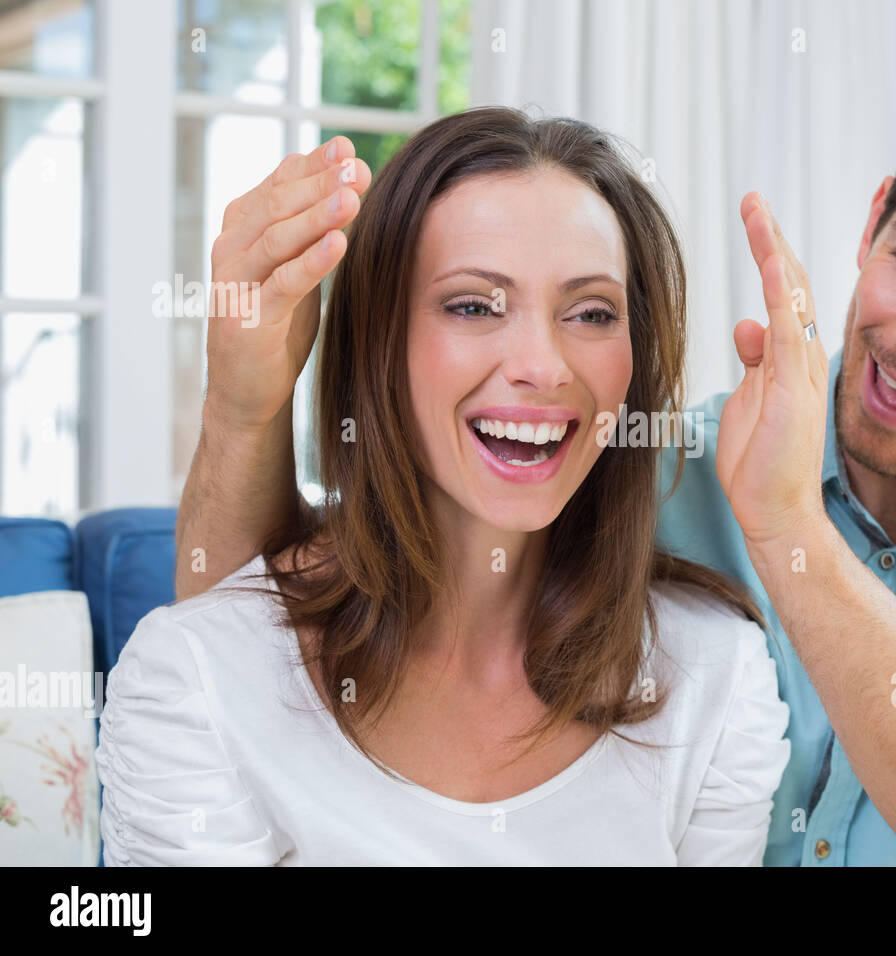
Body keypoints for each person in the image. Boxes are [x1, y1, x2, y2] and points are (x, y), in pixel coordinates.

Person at [169, 66, 896, 867]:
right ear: (873, 219)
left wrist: (789, 529)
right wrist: (245, 402)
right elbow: (251, 652)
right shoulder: (627, 464)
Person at [94, 108, 793, 865]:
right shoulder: (195, 679)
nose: (544, 365)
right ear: (377, 346)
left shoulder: (716, 677)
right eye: (472, 305)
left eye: (592, 313)